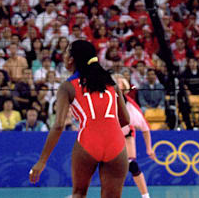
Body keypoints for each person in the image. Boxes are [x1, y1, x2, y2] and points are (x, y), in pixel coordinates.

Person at [29, 40, 130, 198]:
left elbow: (58, 126)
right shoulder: (111, 83)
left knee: (79, 194)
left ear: (71, 59)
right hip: (116, 143)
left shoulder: (67, 86)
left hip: (89, 142)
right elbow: (125, 119)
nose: (64, 56)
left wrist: (42, 161)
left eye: (67, 53)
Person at [115, 74, 153, 198]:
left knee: (132, 165)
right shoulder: (105, 101)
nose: (115, 84)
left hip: (127, 135)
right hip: (110, 136)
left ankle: (145, 196)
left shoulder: (131, 105)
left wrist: (149, 148)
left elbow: (145, 129)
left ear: (124, 87)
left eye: (118, 82)